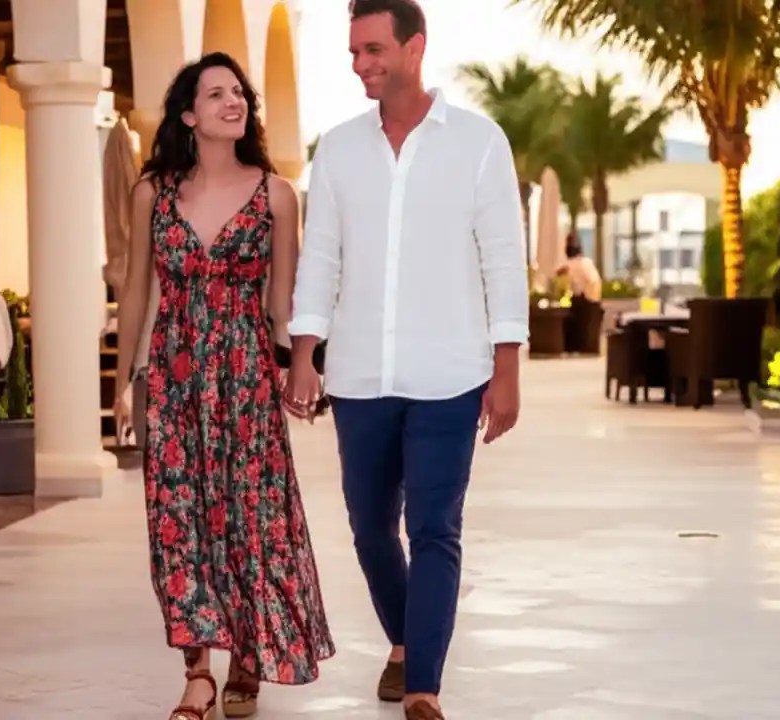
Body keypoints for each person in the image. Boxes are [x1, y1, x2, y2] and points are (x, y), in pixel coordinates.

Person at [284, 2, 528, 718]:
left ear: (415, 47)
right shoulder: (338, 147)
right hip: (359, 374)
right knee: (368, 528)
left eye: (373, 49)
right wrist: (305, 351)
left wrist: (506, 370)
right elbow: (321, 254)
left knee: (435, 528)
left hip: (452, 373)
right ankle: (405, 640)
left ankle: (422, 684)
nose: (361, 64)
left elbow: (503, 260)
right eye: (354, 52)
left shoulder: (480, 143)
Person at [112, 52, 335, 720]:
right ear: (189, 114)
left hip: (244, 381)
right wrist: (123, 382)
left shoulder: (275, 196)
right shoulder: (153, 192)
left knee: (249, 521)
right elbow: (134, 290)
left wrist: (303, 363)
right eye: (216, 94)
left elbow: (283, 297)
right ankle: (198, 673)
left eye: (238, 92)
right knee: (178, 521)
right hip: (175, 378)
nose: (233, 101)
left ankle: (247, 655)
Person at [557, 232, 603, 302]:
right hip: (594, 301)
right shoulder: (587, 262)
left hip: (584, 301)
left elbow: (559, 273)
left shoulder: (570, 264)